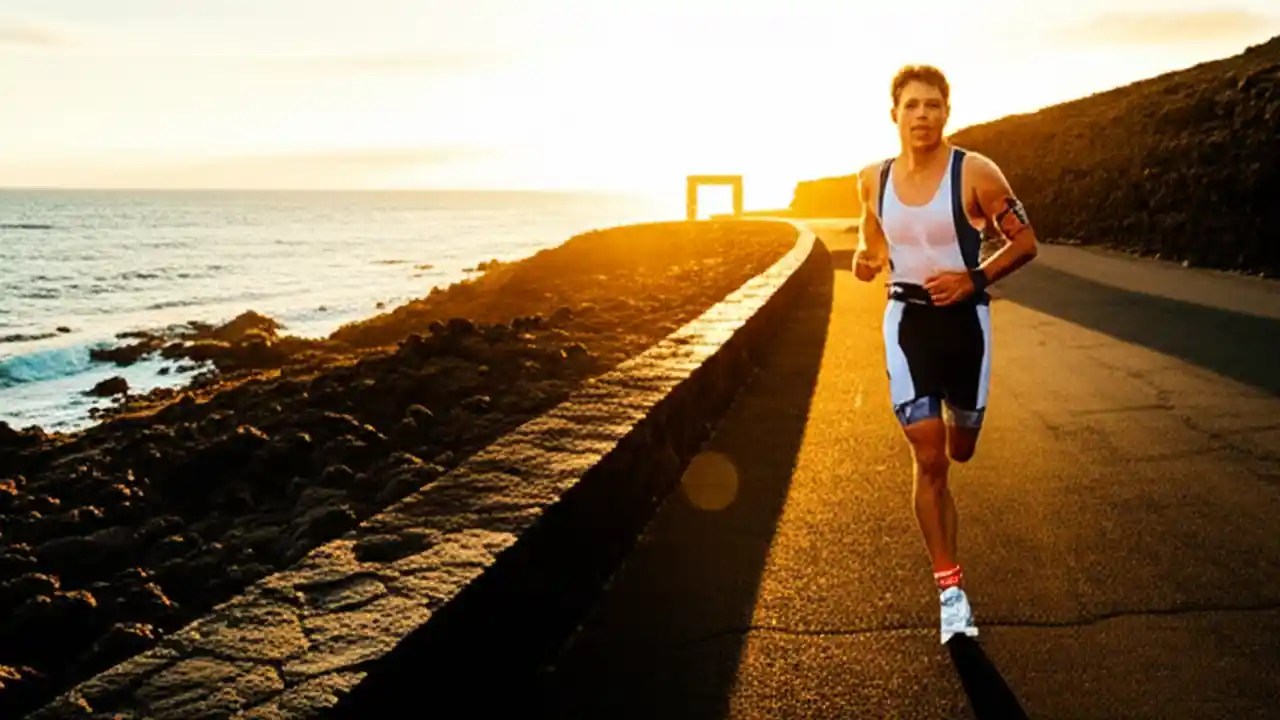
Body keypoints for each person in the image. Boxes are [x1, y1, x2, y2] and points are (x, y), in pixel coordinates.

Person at [852, 64, 1039, 644]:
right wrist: (864, 257)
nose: (922, 115)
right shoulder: (871, 178)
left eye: (933, 105)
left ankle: (964, 421)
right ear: (895, 114)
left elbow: (1026, 242)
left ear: (946, 112)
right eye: (912, 105)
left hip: (965, 326)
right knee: (928, 455)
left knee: (960, 448)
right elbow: (871, 234)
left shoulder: (975, 172)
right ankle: (950, 593)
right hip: (906, 320)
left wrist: (973, 280)